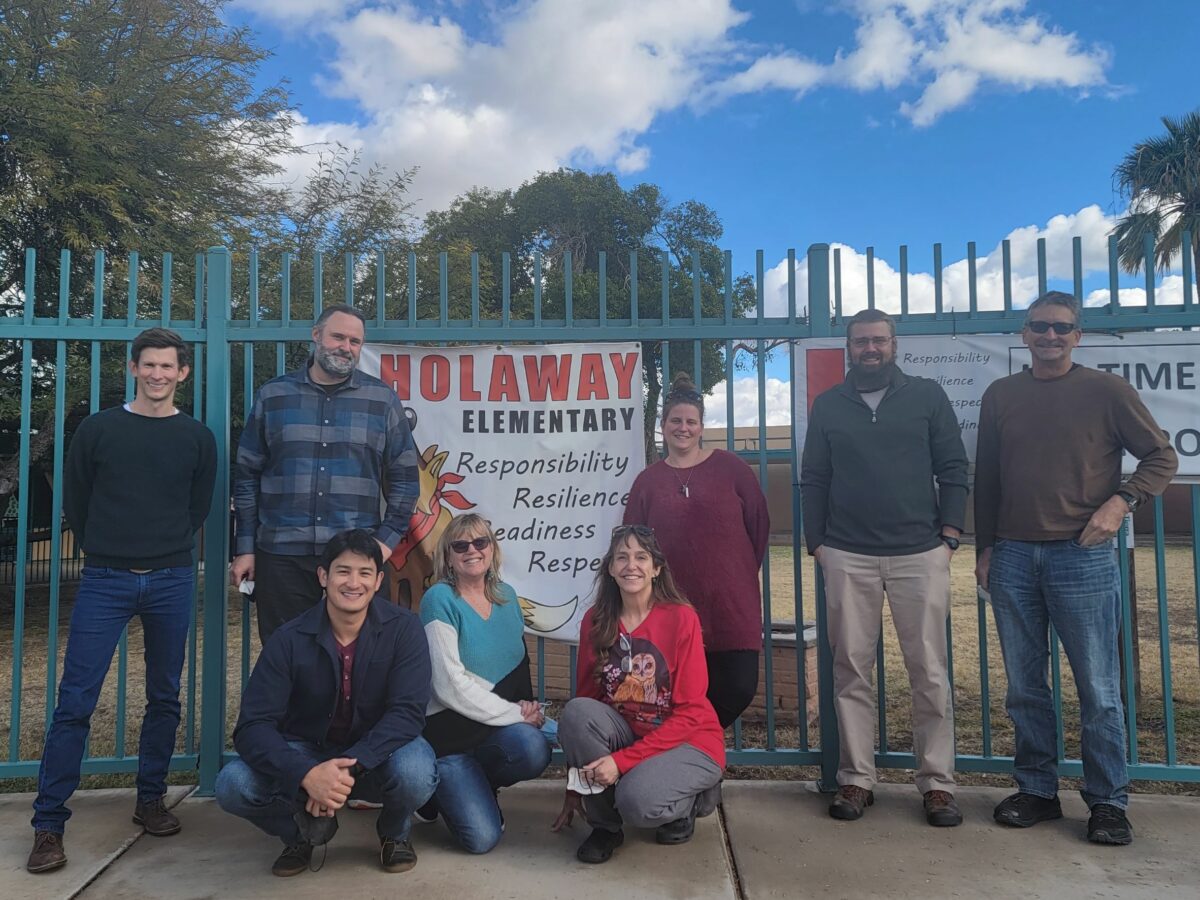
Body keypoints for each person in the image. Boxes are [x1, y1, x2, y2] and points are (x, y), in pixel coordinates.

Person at [974, 291, 1178, 846]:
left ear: (1077, 336)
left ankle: (1108, 802)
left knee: (1098, 688)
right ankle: (1037, 790)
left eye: (1061, 328)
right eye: (1040, 327)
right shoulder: (1000, 395)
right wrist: (985, 548)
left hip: (1082, 558)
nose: (1050, 336)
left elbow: (1162, 455)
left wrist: (1121, 502)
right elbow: (987, 478)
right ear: (1024, 333)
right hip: (1013, 555)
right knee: (1024, 687)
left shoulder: (1106, 391)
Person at [28, 328, 217, 874]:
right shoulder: (98, 429)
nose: (158, 374)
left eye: (169, 366)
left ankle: (150, 799)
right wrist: (105, 548)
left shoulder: (197, 438)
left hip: (171, 578)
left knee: (165, 695)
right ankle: (47, 825)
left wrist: (163, 546)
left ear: (183, 373)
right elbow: (78, 499)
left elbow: (197, 507)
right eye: (149, 365)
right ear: (133, 368)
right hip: (106, 578)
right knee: (76, 701)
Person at [800, 308, 968, 827]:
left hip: (920, 553)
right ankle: (856, 779)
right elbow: (814, 478)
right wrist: (818, 546)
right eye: (860, 342)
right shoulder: (829, 405)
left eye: (878, 340)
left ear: (895, 344)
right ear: (848, 348)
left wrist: (950, 537)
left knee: (929, 672)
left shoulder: (927, 396)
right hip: (848, 554)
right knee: (851, 669)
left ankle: (937, 784)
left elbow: (954, 467)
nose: (870, 349)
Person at [216, 529, 435, 876]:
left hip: (375, 752)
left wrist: (345, 769)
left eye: (364, 573)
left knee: (417, 772)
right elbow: (253, 726)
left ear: (378, 581)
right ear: (323, 576)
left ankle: (394, 834)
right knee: (232, 785)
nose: (353, 583)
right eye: (343, 571)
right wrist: (305, 773)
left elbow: (407, 714)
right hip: (306, 749)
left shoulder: (404, 629)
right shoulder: (289, 638)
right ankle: (300, 833)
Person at [231, 303, 419, 643]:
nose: (346, 347)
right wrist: (245, 547)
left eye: (355, 341)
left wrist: (385, 542)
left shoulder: (382, 400)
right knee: (286, 656)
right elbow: (246, 476)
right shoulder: (273, 396)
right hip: (282, 553)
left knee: (361, 659)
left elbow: (406, 480)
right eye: (338, 337)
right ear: (316, 336)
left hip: (356, 557)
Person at [552, 525, 725, 864]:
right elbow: (584, 707)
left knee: (636, 803)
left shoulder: (681, 618)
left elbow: (690, 713)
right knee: (576, 711)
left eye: (641, 557)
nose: (631, 565)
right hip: (631, 733)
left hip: (689, 740)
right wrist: (575, 787)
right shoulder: (596, 621)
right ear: (611, 569)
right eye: (622, 557)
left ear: (656, 569)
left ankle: (692, 799)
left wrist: (621, 763)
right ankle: (604, 826)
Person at [623, 372, 769, 727]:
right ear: (663, 425)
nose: (683, 428)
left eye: (691, 421)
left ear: (702, 427)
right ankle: (692, 761)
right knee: (676, 692)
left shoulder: (732, 469)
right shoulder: (648, 481)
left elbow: (759, 527)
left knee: (736, 687)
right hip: (670, 606)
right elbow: (632, 542)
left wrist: (736, 573)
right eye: (676, 421)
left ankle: (692, 746)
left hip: (730, 603)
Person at [415, 514, 551, 853]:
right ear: (448, 555)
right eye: (460, 545)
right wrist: (515, 714)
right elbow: (448, 686)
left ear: (492, 549)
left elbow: (518, 664)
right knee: (481, 839)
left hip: (491, 729)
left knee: (536, 747)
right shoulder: (439, 599)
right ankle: (437, 790)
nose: (471, 550)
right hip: (450, 738)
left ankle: (482, 782)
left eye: (480, 542)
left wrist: (528, 708)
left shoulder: (507, 595)